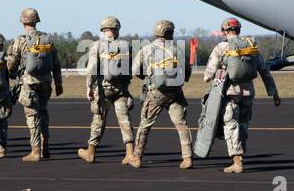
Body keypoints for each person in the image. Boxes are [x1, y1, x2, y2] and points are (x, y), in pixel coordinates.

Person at [201, 18, 281, 173]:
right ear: (239, 29)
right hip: (248, 93)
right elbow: (264, 71)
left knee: (231, 124)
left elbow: (208, 74)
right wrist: (274, 93)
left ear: (224, 31)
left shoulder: (222, 47)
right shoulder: (251, 46)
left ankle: (237, 161)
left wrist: (213, 75)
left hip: (230, 93)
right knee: (243, 124)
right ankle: (241, 156)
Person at [129, 19, 193, 170]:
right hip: (175, 93)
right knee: (181, 125)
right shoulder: (177, 49)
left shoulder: (147, 49)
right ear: (170, 32)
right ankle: (187, 158)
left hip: (155, 93)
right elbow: (187, 71)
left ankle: (137, 157)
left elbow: (135, 70)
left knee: (145, 125)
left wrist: (148, 78)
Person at [5, 8, 63, 161]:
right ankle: (46, 147)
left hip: (29, 83)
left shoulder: (20, 40)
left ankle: (35, 150)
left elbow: (11, 63)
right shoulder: (48, 39)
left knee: (32, 116)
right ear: (37, 20)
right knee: (43, 113)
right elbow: (56, 64)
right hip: (45, 82)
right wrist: (59, 84)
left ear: (23, 21)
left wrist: (11, 74)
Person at [77, 16, 135, 164]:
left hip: (104, 90)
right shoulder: (126, 45)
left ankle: (90, 152)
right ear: (117, 29)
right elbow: (129, 69)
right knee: (125, 120)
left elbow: (91, 69)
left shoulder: (97, 45)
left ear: (104, 30)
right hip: (121, 90)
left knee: (98, 120)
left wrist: (89, 87)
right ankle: (130, 153)